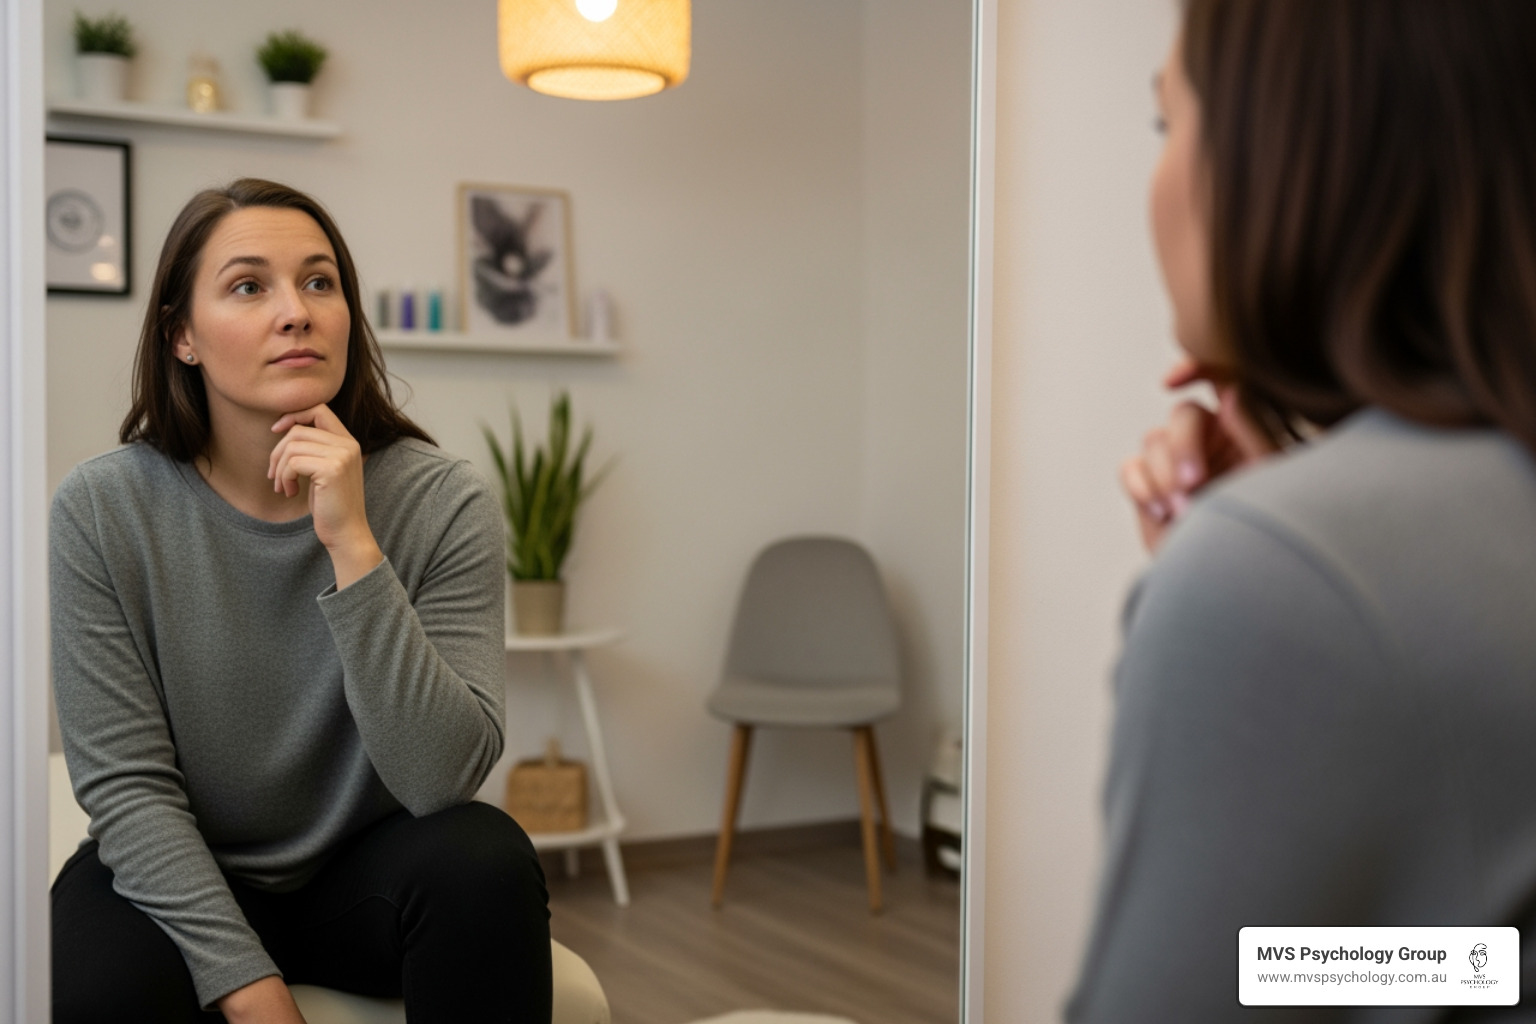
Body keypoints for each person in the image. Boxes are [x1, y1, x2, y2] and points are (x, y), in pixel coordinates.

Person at [1070, 1, 1536, 1019]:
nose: (1155, 182)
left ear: (1281, 153)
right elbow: (1495, 961)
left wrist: (1273, 555)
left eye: (1167, 124)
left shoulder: (1282, 578)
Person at [49, 178, 552, 1024]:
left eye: (320, 282)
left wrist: (353, 544)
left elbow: (441, 780)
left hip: (359, 878)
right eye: (250, 286)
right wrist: (248, 987)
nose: (298, 312)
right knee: (103, 987)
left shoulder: (442, 502)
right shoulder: (103, 510)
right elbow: (128, 788)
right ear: (182, 335)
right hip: (179, 875)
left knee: (484, 858)